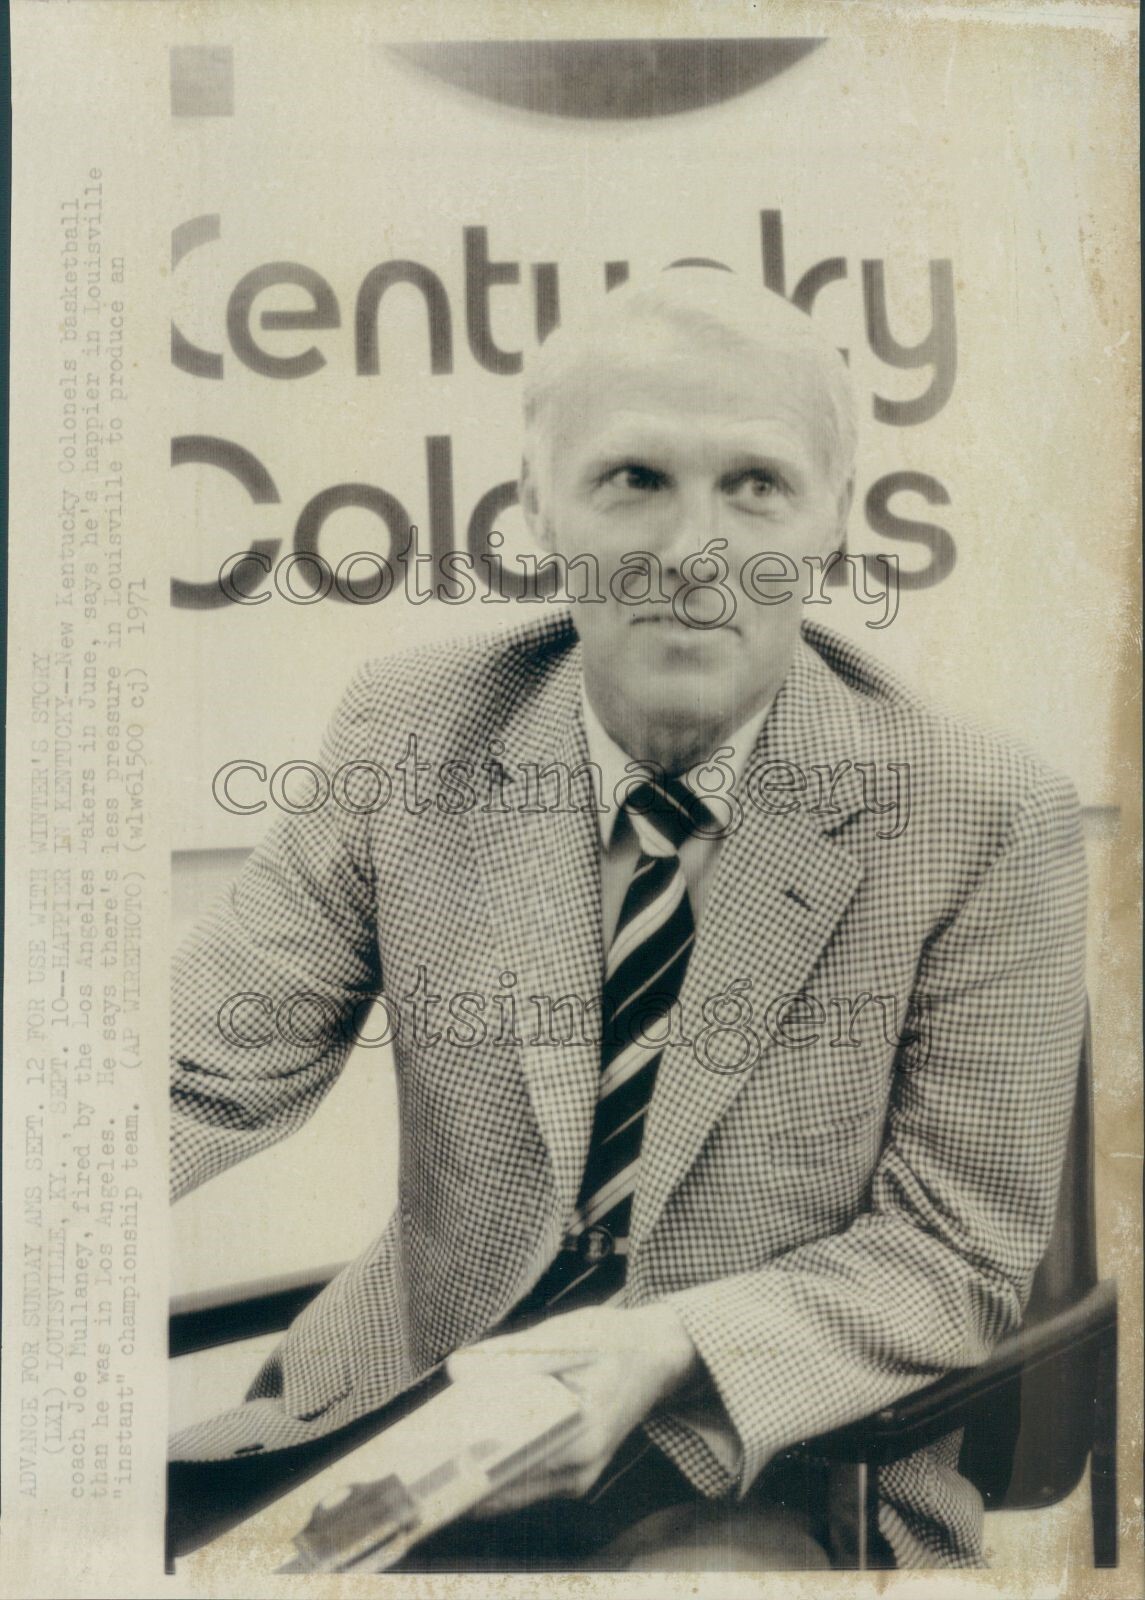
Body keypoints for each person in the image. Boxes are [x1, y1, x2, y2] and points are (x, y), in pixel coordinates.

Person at [169, 270, 1088, 1570]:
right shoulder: (413, 727)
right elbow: (193, 1071)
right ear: (534, 508)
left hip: (766, 1461)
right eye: (634, 480)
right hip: (402, 1418)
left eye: (755, 485)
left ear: (834, 518)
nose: (693, 553)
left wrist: (664, 1347)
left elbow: (952, 1255)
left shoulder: (985, 814)